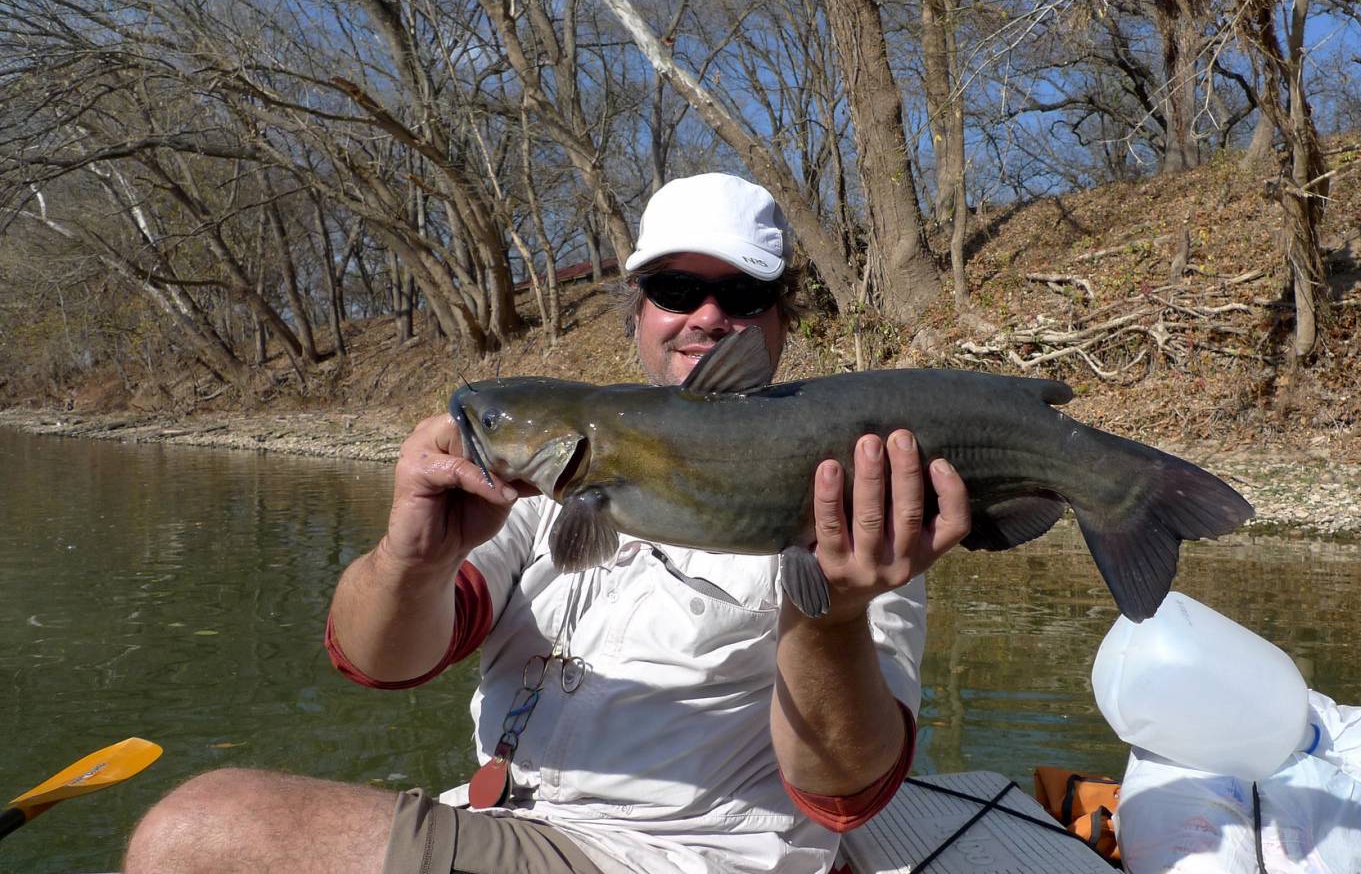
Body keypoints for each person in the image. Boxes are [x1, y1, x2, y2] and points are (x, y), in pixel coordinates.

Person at [122, 173, 973, 874]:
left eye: (743, 294)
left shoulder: (852, 500)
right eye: (677, 290)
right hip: (511, 819)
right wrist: (410, 558)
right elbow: (378, 660)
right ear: (637, 312)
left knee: (193, 834)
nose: (708, 317)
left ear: (781, 319)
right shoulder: (544, 490)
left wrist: (830, 618)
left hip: (674, 859)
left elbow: (847, 791)